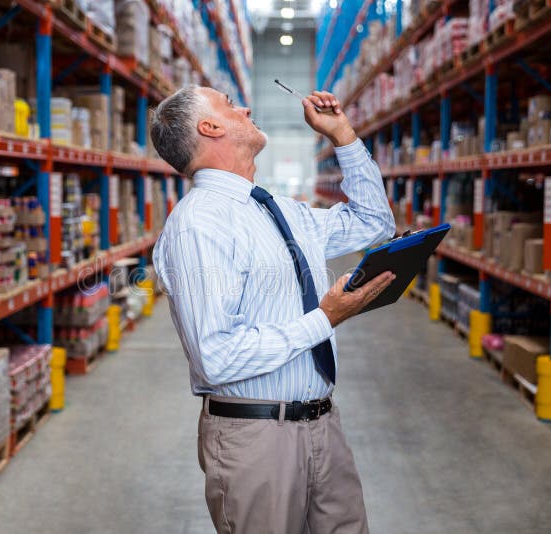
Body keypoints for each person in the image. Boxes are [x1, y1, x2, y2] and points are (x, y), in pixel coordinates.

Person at [150, 85, 396, 534]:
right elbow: (216, 357)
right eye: (229, 104)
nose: (245, 107)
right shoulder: (198, 224)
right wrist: (325, 318)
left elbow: (373, 223)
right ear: (211, 127)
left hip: (323, 424)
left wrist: (344, 136)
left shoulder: (278, 210)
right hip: (255, 440)